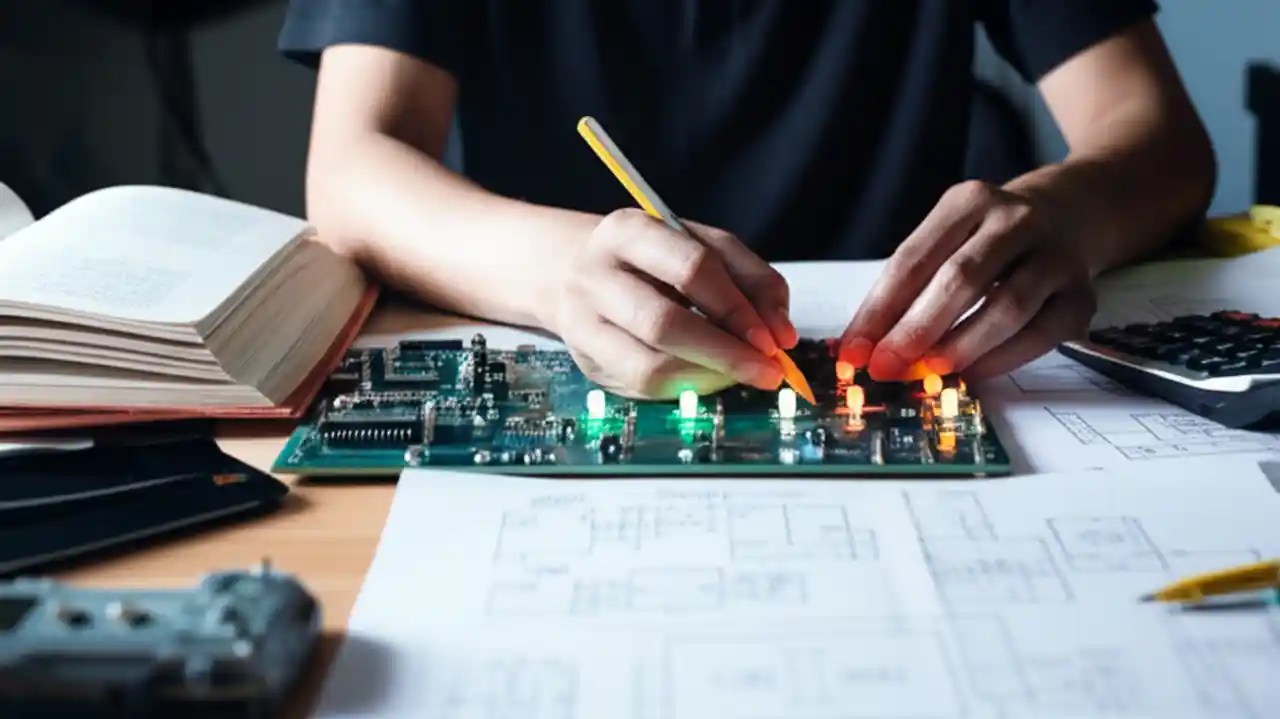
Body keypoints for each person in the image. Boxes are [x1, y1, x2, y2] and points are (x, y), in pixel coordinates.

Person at [278, 1, 1215, 399]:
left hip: (911, 366)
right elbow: (354, 169)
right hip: (552, 340)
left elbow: (1156, 134)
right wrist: (560, 271)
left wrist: (1067, 216)